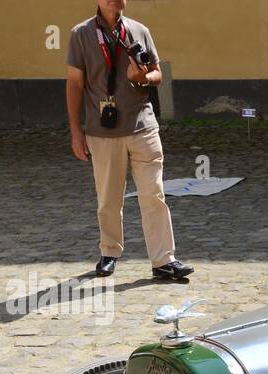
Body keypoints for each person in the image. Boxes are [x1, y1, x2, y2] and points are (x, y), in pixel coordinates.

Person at [66, 0, 194, 280]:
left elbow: (158, 73)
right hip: (102, 131)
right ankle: (109, 252)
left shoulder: (139, 30)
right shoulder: (81, 34)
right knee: (109, 199)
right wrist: (76, 130)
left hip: (142, 126)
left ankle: (163, 260)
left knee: (154, 194)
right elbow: (74, 83)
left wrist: (143, 77)